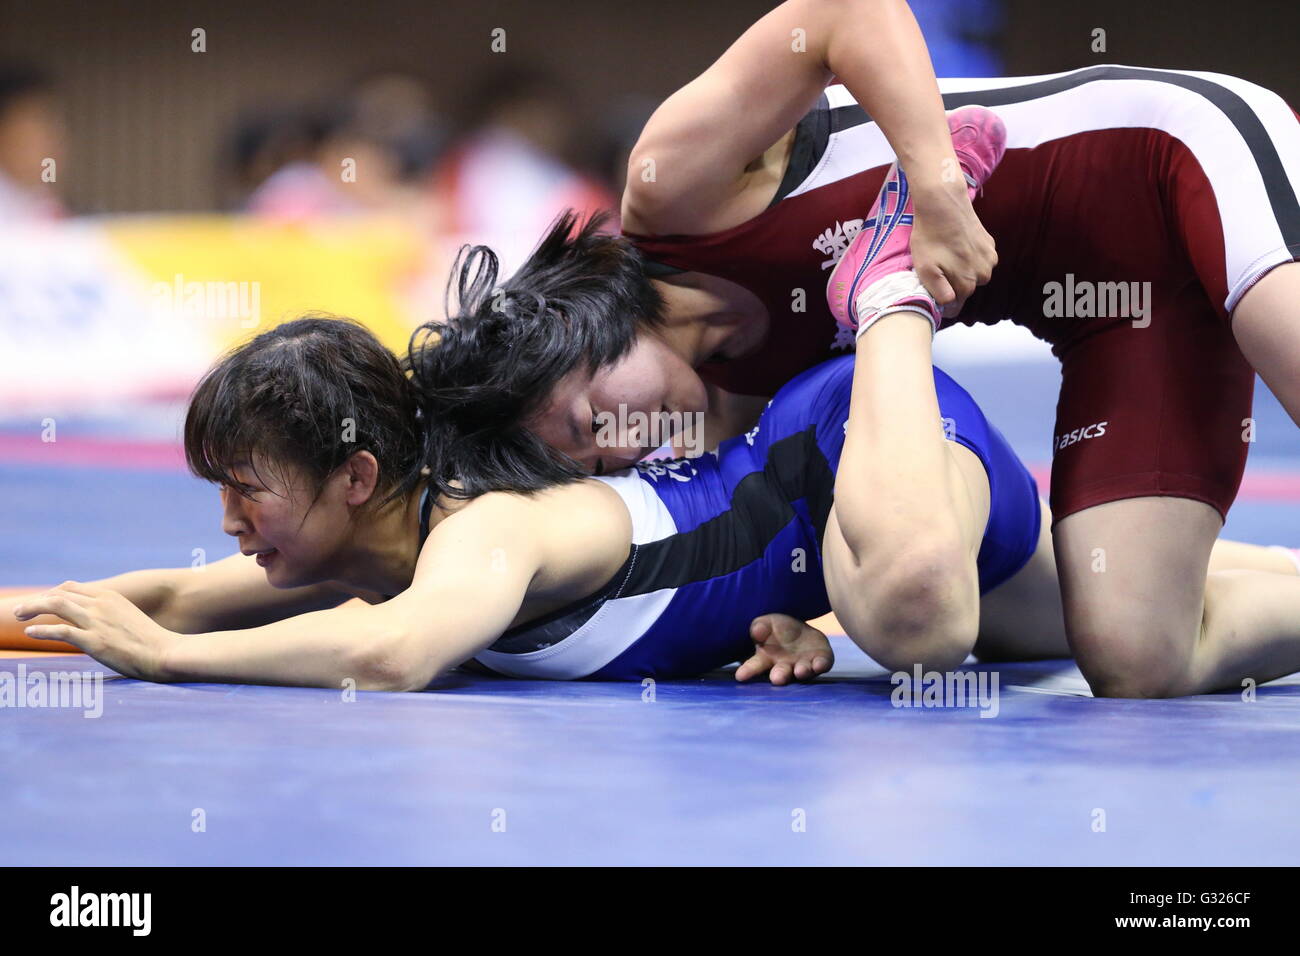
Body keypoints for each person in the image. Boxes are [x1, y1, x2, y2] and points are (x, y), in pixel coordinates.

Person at [7, 308, 1069, 688]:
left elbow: (390, 654)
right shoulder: (367, 537)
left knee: (935, 631)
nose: (229, 526)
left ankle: (888, 294)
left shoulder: (486, 534)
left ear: (357, 475)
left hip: (853, 441)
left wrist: (165, 660)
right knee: (1154, 638)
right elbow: (176, 594)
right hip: (831, 521)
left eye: (246, 493)